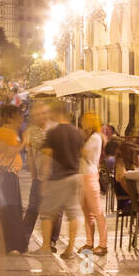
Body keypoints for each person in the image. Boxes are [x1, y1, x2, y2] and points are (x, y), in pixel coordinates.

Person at [40, 102, 88, 258]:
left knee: (47, 213)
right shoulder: (77, 133)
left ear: (57, 114)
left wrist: (44, 180)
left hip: (57, 178)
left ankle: (46, 246)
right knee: (73, 213)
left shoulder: (52, 133)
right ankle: (70, 249)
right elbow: (84, 154)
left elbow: (47, 157)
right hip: (74, 176)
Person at [17, 101, 58, 252]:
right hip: (39, 176)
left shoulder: (56, 129)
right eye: (38, 114)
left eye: (44, 113)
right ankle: (23, 240)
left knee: (55, 210)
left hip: (55, 177)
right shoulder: (31, 131)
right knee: (33, 208)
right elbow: (30, 155)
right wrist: (34, 175)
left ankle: (52, 241)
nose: (42, 116)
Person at [0, 105, 27, 254]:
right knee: (11, 211)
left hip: (5, 175)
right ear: (11, 118)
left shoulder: (1, 131)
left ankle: (4, 243)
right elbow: (9, 151)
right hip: (8, 175)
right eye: (19, 116)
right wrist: (23, 142)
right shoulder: (7, 133)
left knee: (6, 210)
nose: (21, 119)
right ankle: (12, 246)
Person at [79, 111, 109, 255]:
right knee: (87, 214)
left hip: (90, 177)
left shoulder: (96, 137)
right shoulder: (87, 137)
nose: (82, 122)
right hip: (81, 177)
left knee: (97, 212)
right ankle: (89, 243)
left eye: (85, 120)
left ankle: (103, 245)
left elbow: (83, 152)